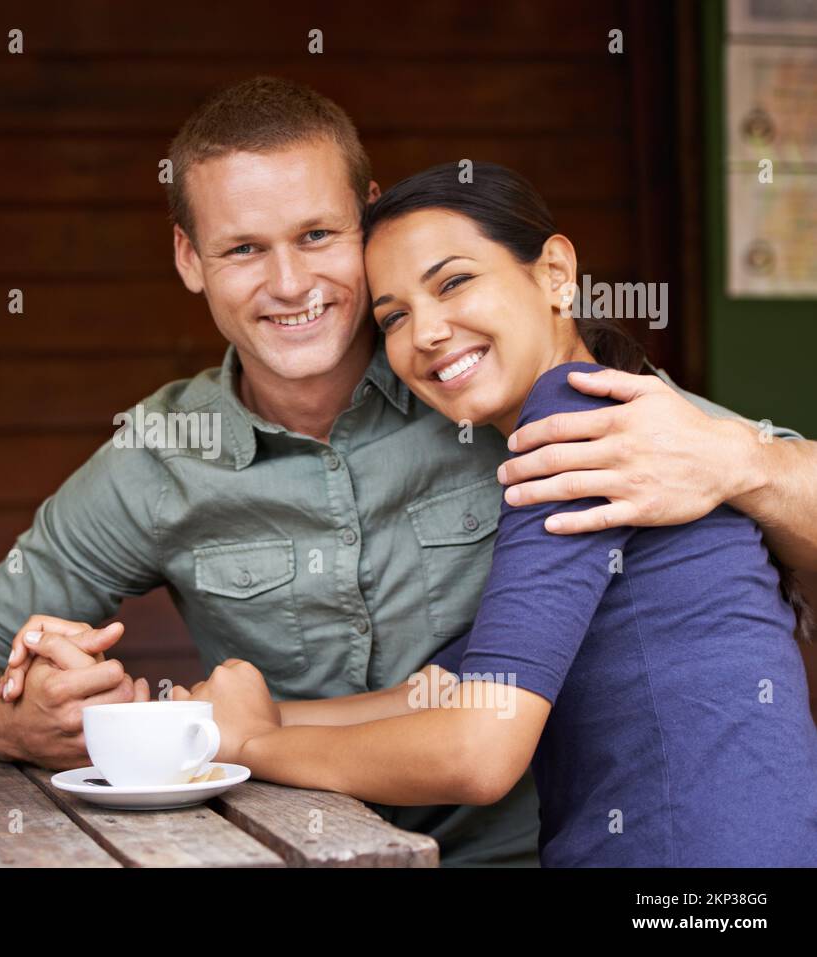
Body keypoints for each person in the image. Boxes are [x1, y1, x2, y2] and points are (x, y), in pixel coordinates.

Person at [0, 77, 817, 866]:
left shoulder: (517, 397)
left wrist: (747, 460)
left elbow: (480, 740)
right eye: (244, 248)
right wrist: (34, 719)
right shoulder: (159, 453)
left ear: (366, 220)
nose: (289, 283)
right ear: (190, 259)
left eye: (315, 234)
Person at [166, 161, 817, 866]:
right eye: (394, 317)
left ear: (555, 272)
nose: (427, 332)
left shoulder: (578, 430)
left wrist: (254, 743)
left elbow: (479, 749)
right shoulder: (597, 423)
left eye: (453, 282)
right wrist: (243, 716)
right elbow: (448, 691)